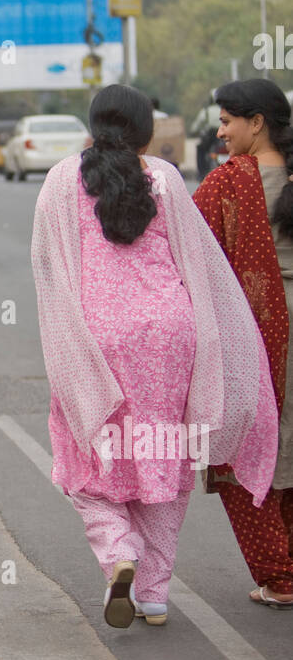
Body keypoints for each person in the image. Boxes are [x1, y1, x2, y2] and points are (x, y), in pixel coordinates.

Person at [31, 84, 277, 628]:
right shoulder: (163, 178)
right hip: (168, 336)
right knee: (164, 453)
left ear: (93, 126)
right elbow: (199, 263)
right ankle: (155, 593)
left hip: (100, 336)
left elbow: (49, 269)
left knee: (90, 457)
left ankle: (119, 548)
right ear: (145, 129)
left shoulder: (61, 180)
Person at [193, 79, 293, 609]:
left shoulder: (226, 184)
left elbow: (187, 257)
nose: (220, 129)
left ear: (257, 124)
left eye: (228, 119)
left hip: (255, 334)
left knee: (246, 447)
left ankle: (281, 575)